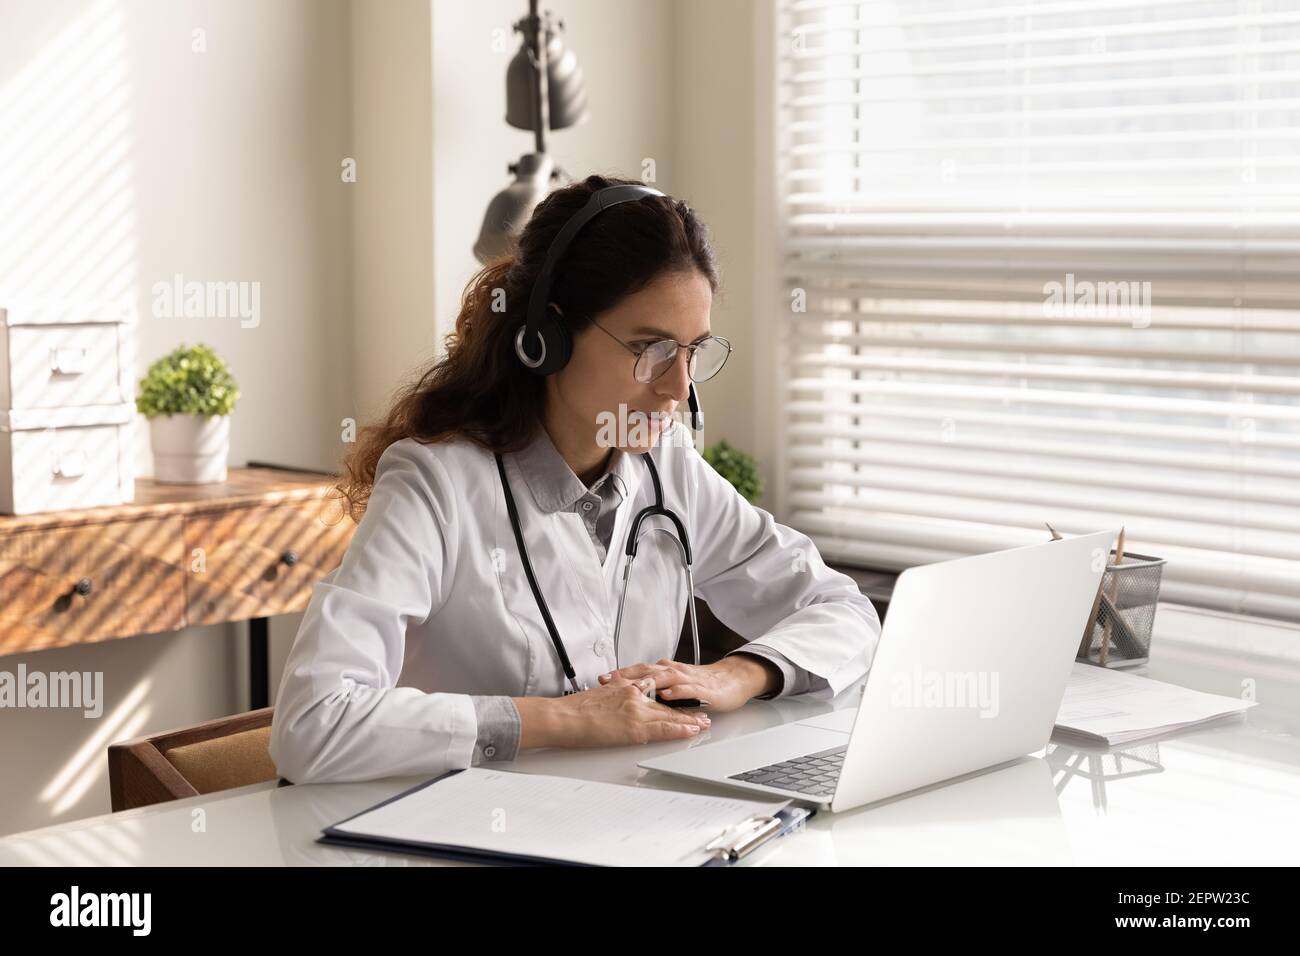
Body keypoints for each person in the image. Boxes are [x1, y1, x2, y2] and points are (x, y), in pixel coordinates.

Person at [268, 174, 881, 784]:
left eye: (694, 350)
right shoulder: (437, 483)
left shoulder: (667, 467)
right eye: (652, 349)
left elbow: (844, 610)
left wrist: (735, 674)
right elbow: (313, 724)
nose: (678, 388)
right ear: (548, 338)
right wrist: (561, 720)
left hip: (624, 822)